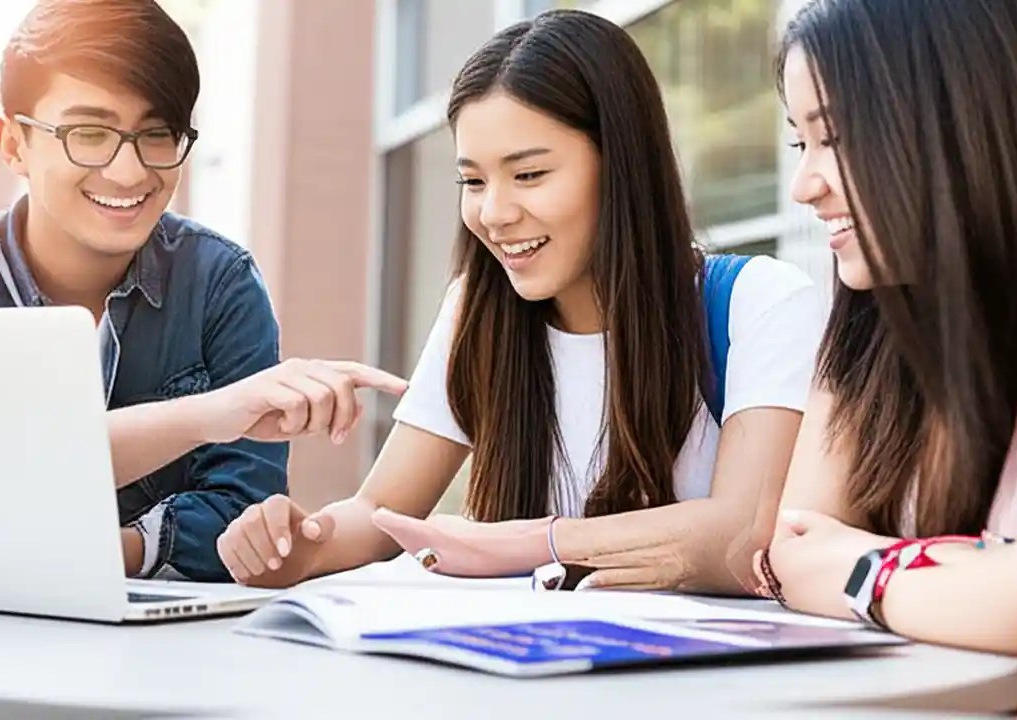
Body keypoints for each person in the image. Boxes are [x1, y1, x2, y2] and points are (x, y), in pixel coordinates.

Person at [217, 9, 823, 594]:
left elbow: (745, 533)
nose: (494, 213)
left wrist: (523, 544)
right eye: (473, 181)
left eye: (529, 175)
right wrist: (300, 547)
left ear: (621, 166)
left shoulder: (758, 303)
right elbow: (380, 513)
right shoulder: (477, 313)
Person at [0, 0, 405, 582]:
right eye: (90, 134)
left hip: (163, 649)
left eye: (157, 133)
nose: (129, 172)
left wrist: (69, 552)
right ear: (12, 143)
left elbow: (241, 521)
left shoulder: (219, 283)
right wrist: (208, 416)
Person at [755, 0, 1017, 716]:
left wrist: (866, 571)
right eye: (798, 145)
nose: (804, 187)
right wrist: (996, 570)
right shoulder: (870, 323)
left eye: (834, 138)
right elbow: (793, 551)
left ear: (960, 122)